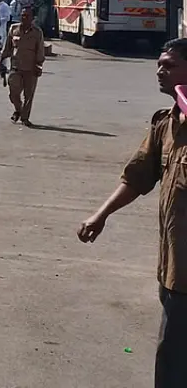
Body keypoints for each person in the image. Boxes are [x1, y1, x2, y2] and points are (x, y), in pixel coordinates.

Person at [78, 38, 187, 387]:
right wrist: (101, 214)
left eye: (169, 65)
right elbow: (137, 177)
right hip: (176, 270)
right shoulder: (166, 125)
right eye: (159, 63)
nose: (160, 70)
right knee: (172, 357)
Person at [0, 6, 45, 127]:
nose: (24, 18)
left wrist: (38, 66)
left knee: (28, 96)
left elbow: (40, 51)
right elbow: (7, 47)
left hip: (31, 69)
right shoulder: (13, 29)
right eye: (23, 15)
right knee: (13, 94)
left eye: (27, 16)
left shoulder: (37, 32)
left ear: (32, 18)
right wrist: (0, 61)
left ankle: (25, 118)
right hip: (15, 68)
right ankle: (18, 109)